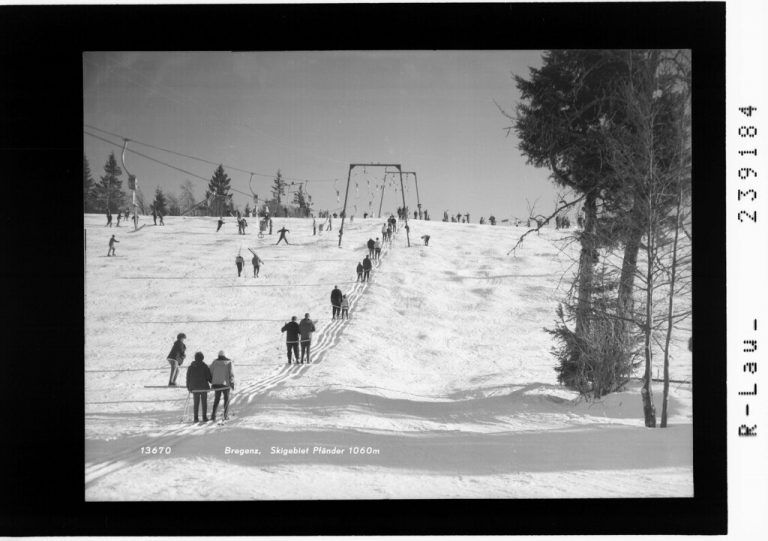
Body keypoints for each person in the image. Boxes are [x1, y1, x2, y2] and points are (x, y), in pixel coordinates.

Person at [186, 351, 212, 423]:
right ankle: (204, 417)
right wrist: (213, 382)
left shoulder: (191, 367)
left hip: (194, 388)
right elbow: (209, 377)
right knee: (204, 403)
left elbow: (188, 378)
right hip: (203, 387)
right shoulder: (205, 366)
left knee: (196, 403)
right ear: (202, 358)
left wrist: (189, 387)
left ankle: (196, 418)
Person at [210, 350, 235, 421]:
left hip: (216, 384)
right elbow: (231, 374)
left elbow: (210, 371)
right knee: (226, 400)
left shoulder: (214, 362)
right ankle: (225, 415)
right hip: (225, 385)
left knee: (216, 400)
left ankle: (213, 415)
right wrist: (232, 383)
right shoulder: (229, 363)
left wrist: (213, 380)